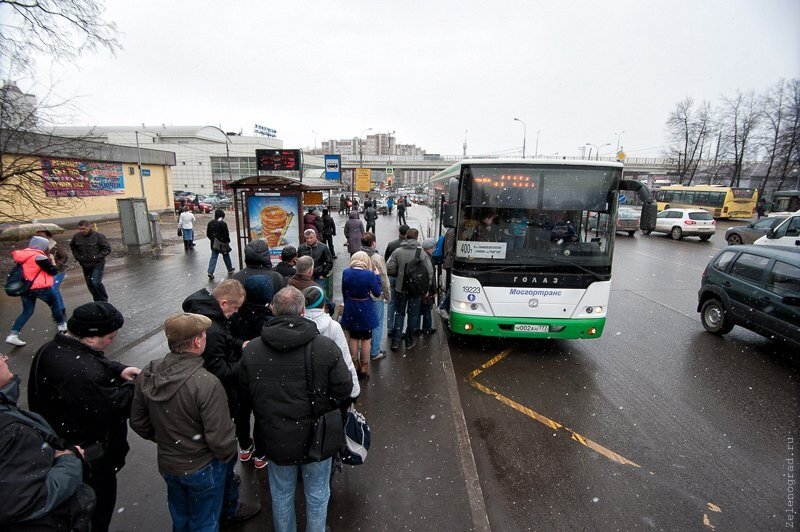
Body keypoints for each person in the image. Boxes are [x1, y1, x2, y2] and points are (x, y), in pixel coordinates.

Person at [238, 286, 352, 532]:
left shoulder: (253, 350)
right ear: (303, 311)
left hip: (274, 435)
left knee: (281, 494)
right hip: (316, 435)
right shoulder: (324, 347)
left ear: (274, 310)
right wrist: (322, 406)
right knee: (317, 493)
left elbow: (244, 396)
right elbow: (344, 388)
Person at [28, 302, 139, 532]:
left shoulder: (52, 349)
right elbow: (115, 406)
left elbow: (93, 360)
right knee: (96, 514)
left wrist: (116, 369)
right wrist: (135, 386)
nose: (112, 341)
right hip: (90, 460)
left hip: (61, 446)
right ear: (90, 337)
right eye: (109, 337)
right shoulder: (82, 374)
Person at [130, 313, 245, 531]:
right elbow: (220, 440)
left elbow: (138, 421)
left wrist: (168, 440)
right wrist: (222, 454)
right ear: (197, 341)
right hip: (203, 466)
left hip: (169, 464)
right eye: (204, 334)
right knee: (205, 521)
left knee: (181, 517)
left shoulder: (149, 371)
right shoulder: (206, 382)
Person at [182, 280, 261, 517]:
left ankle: (225, 482)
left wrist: (239, 344)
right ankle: (228, 504)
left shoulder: (207, 316)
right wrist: (244, 363)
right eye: (234, 308)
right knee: (222, 443)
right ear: (223, 303)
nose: (235, 313)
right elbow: (220, 370)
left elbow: (223, 343)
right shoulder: (212, 327)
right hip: (220, 396)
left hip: (205, 394)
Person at [1, 352, 94, 530]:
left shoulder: (7, 411)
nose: (5, 358)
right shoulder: (10, 431)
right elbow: (29, 500)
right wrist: (69, 459)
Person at [301, 285, 360, 403]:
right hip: (327, 385)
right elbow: (344, 357)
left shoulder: (296, 323)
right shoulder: (333, 326)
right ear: (324, 305)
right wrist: (354, 390)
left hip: (302, 387)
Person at [6, 236, 67, 347]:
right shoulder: (39, 257)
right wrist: (52, 260)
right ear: (42, 245)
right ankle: (62, 327)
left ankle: (13, 335)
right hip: (40, 287)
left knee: (27, 311)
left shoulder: (24, 255)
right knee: (55, 304)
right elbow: (53, 271)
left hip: (26, 288)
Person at [386, 228, 433, 351]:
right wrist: (426, 288)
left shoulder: (398, 251)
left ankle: (395, 342)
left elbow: (389, 268)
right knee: (413, 315)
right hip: (416, 290)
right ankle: (409, 341)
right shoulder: (421, 253)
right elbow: (429, 272)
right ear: (417, 238)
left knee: (399, 314)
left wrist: (400, 272)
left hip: (401, 288)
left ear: (406, 237)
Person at [341, 251, 382, 380]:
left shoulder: (346, 272)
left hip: (351, 307)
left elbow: (344, 291)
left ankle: (356, 364)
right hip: (365, 309)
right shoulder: (369, 275)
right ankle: (364, 368)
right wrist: (377, 277)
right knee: (366, 339)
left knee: (353, 337)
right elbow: (376, 292)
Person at [360, 232, 391, 361]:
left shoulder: (358, 255)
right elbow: (383, 278)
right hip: (375, 295)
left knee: (365, 323)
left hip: (362, 295)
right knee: (377, 323)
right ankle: (374, 351)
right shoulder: (377, 257)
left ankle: (364, 351)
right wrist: (387, 295)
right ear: (373, 243)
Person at [69, 220, 111, 302]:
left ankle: (104, 300)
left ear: (89, 227)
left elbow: (107, 249)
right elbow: (73, 247)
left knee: (95, 282)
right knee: (90, 284)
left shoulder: (98, 236)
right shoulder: (76, 237)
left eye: (83, 229)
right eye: (80, 229)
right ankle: (97, 300)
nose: (82, 231)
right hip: (85, 264)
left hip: (97, 264)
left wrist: (97, 257)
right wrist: (78, 257)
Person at [36, 229, 69, 318]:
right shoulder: (38, 248)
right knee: (55, 290)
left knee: (53, 289)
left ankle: (58, 311)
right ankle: (61, 308)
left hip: (58, 272)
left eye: (42, 236)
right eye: (38, 236)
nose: (40, 238)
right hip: (47, 272)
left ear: (48, 237)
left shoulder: (54, 246)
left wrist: (56, 266)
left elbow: (64, 256)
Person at [384, 224, 409, 338]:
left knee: (391, 303)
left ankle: (389, 328)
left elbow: (386, 260)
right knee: (401, 305)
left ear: (399, 232)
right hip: (404, 278)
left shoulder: (392, 244)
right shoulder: (408, 247)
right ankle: (400, 329)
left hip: (392, 277)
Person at [206, 209, 235, 280]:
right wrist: (227, 241)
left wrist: (213, 239)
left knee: (214, 257)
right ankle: (229, 269)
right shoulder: (223, 224)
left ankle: (210, 272)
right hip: (222, 243)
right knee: (226, 255)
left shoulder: (210, 223)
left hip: (214, 243)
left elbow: (208, 234)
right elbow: (226, 234)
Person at [418, 239, 438, 335]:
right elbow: (431, 276)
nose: (434, 249)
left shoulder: (420, 255)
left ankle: (416, 329)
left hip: (419, 287)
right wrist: (433, 290)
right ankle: (427, 328)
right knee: (427, 308)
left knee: (418, 309)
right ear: (429, 248)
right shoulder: (429, 259)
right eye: (433, 247)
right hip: (427, 288)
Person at [438, 227, 456, 321]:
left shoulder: (453, 230)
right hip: (452, 263)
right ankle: (443, 306)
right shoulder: (452, 231)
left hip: (452, 263)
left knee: (452, 286)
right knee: (453, 286)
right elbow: (450, 249)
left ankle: (444, 306)